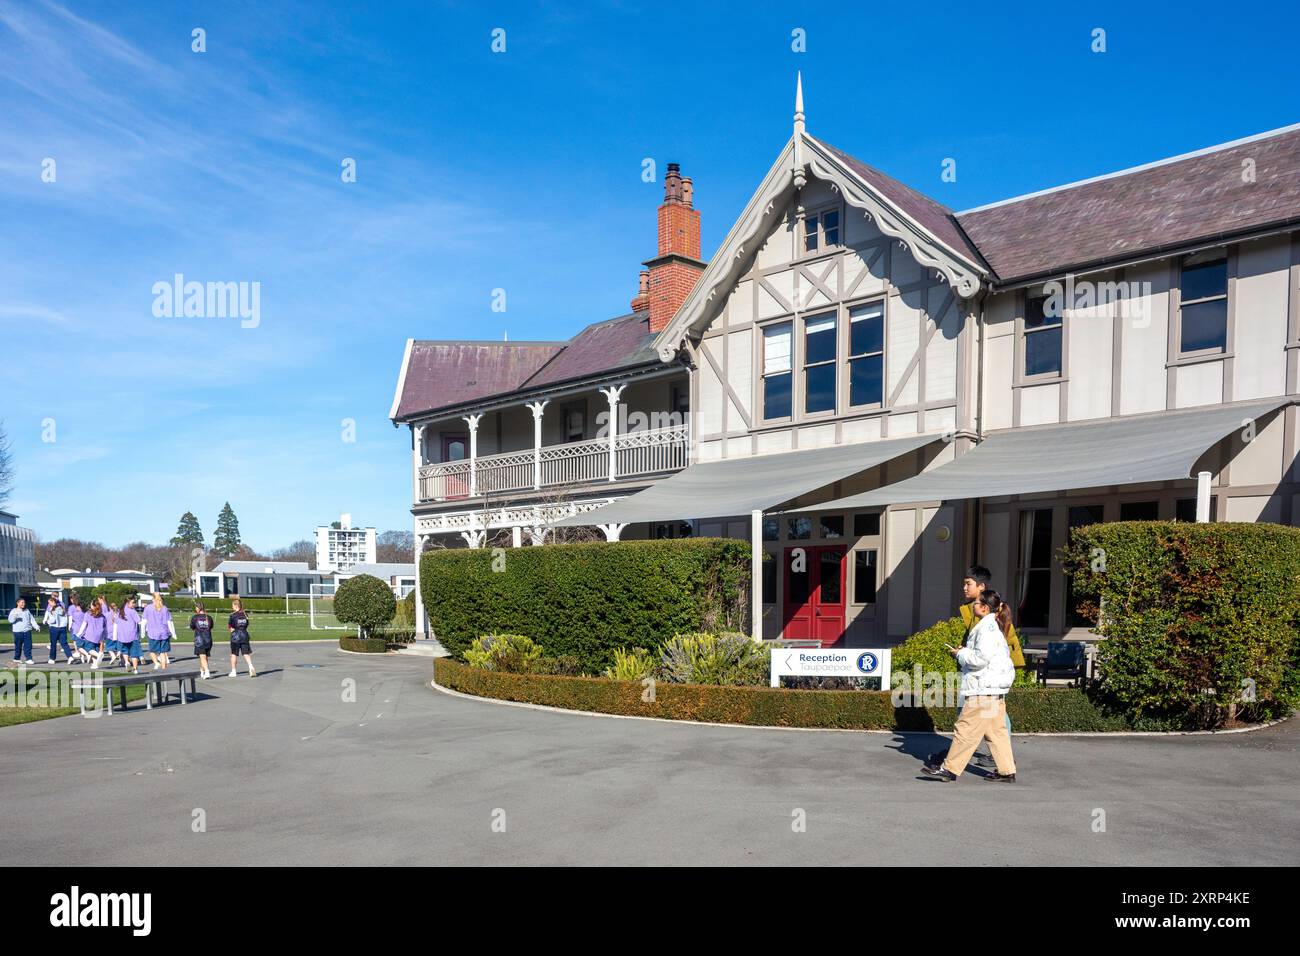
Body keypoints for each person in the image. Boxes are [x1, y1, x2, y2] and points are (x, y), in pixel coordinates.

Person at [923, 589, 1018, 783]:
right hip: (993, 687)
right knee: (995, 731)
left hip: (983, 687)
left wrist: (960, 654)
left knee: (965, 729)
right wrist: (965, 651)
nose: (972, 605)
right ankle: (1007, 771)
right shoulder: (992, 626)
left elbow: (980, 659)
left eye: (975, 603)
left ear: (984, 607)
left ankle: (949, 769)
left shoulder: (986, 628)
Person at [143, 593, 175, 670]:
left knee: (152, 651)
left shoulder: (148, 608)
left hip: (153, 633)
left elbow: (144, 621)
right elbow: (169, 622)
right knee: (162, 652)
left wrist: (142, 632)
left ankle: (156, 663)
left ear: (153, 599)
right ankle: (164, 669)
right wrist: (173, 633)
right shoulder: (164, 608)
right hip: (164, 633)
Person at [76, 599, 108, 669]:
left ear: (93, 606)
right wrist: (105, 636)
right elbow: (105, 628)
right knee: (95, 649)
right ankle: (95, 664)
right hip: (99, 636)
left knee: (88, 649)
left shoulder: (88, 614)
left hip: (90, 635)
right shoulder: (102, 616)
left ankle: (98, 655)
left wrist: (79, 633)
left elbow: (84, 625)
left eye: (91, 604)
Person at [228, 598, 256, 677]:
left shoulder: (232, 615)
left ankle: (233, 671)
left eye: (233, 606)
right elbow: (247, 624)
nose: (232, 607)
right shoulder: (245, 614)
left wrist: (232, 630)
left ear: (236, 606)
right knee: (246, 653)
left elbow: (230, 627)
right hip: (244, 635)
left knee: (234, 654)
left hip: (236, 636)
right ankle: (251, 666)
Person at [7, 597, 39, 665]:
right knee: (18, 646)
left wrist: (36, 626)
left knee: (28, 645)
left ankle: (29, 659)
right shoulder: (14, 611)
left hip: (27, 631)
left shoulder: (27, 611)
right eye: (22, 603)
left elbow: (31, 619)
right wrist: (15, 616)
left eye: (24, 602)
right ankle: (16, 658)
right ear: (18, 603)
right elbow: (10, 620)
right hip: (18, 632)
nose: (23, 604)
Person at [113, 600, 142, 675]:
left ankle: (126, 662)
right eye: (133, 603)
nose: (134, 604)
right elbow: (139, 621)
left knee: (125, 651)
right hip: (132, 636)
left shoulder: (119, 612)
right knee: (134, 653)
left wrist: (115, 636)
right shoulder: (132, 611)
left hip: (122, 636)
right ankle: (135, 669)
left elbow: (115, 625)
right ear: (127, 603)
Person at [43, 596, 73, 664]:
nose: (49, 604)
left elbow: (53, 620)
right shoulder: (62, 608)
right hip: (63, 628)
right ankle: (70, 656)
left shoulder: (53, 609)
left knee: (53, 644)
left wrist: (47, 621)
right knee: (64, 643)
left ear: (53, 602)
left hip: (54, 628)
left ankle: (52, 658)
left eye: (50, 602)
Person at [190, 602, 215, 679]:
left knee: (203, 656)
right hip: (208, 639)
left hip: (200, 639)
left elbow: (192, 627)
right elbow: (211, 626)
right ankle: (202, 671)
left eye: (196, 607)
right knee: (203, 656)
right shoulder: (209, 617)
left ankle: (207, 671)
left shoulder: (195, 617)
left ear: (198, 608)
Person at [67, 594, 88, 665]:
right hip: (84, 628)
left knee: (76, 642)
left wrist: (69, 626)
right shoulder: (84, 610)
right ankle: (82, 656)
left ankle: (78, 652)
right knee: (83, 642)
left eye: (72, 599)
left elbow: (70, 617)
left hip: (76, 628)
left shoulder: (72, 608)